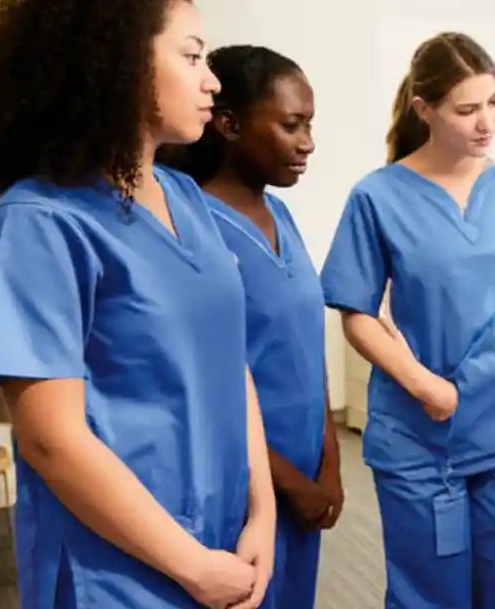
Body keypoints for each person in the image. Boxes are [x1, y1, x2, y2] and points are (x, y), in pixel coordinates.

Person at [0, 0, 278, 607]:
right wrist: (192, 565)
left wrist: (263, 510)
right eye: (192, 57)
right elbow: (52, 439)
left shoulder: (185, 197)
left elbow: (230, 359)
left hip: (221, 539)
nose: (212, 80)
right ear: (118, 66)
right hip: (118, 568)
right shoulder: (40, 222)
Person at [320, 31, 495, 607]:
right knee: (430, 596)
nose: (486, 122)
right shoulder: (379, 197)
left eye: (494, 102)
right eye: (467, 109)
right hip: (421, 436)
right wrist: (424, 385)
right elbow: (356, 314)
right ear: (424, 110)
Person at [156, 44, 342, 608]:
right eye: (291, 125)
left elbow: (305, 351)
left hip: (307, 478)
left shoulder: (280, 214)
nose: (307, 143)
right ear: (230, 125)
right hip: (243, 489)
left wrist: (330, 464)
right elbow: (212, 381)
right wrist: (287, 484)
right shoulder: (193, 227)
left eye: (310, 124)